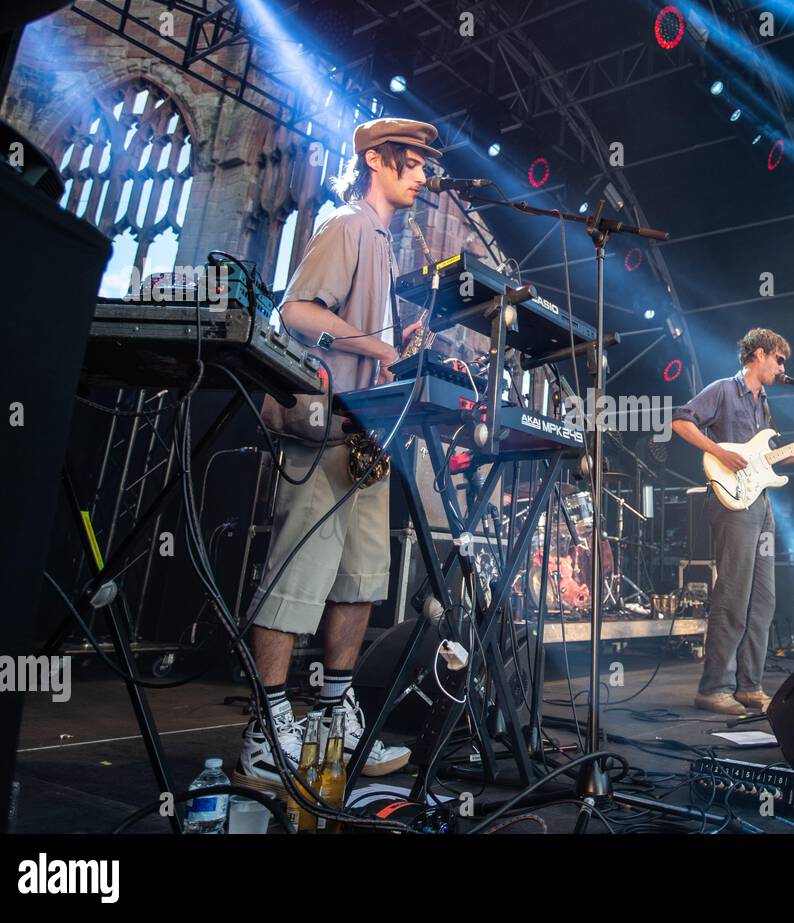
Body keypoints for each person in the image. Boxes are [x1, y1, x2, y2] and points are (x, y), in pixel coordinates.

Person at [234, 118, 439, 793]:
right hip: (324, 430)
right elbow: (295, 313)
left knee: (360, 576)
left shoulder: (384, 245)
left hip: (367, 436)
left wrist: (393, 345)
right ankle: (265, 732)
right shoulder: (347, 225)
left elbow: (355, 339)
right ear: (375, 161)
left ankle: (332, 718)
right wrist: (380, 347)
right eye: (410, 162)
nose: (422, 175)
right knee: (300, 571)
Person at [671, 329, 794, 713]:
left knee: (764, 598)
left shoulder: (764, 406)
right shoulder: (724, 389)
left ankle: (749, 685)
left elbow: (766, 458)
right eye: (778, 360)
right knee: (733, 594)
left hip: (761, 503)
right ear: (758, 355)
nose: (782, 368)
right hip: (732, 502)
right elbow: (679, 420)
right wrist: (719, 453)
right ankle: (713, 688)